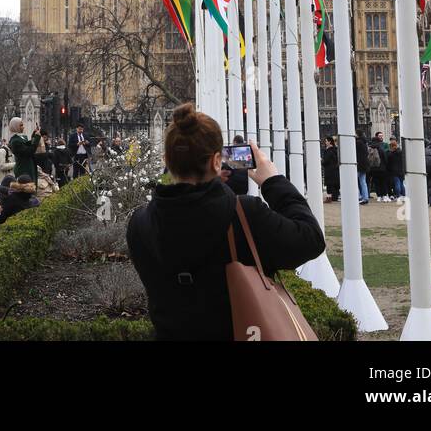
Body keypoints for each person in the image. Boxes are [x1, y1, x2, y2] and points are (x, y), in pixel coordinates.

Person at [126, 103, 325, 342]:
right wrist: (272, 180)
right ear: (217, 161)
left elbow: (182, 209)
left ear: (166, 159)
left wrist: (205, 179)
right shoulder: (243, 214)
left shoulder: (139, 223)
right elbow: (310, 239)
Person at [8, 117, 40, 186]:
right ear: (15, 127)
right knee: (26, 190)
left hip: (28, 166)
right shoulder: (15, 141)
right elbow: (29, 151)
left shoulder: (20, 137)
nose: (23, 127)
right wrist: (37, 138)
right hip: (24, 169)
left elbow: (27, 144)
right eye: (21, 125)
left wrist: (34, 135)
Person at [369, 132, 389, 201]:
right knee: (383, 182)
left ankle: (379, 196)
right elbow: (385, 158)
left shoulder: (370, 148)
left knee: (377, 183)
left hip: (373, 168)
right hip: (382, 168)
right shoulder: (381, 148)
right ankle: (384, 195)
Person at [322, 137, 340, 202]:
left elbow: (326, 160)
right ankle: (335, 197)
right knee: (335, 185)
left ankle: (331, 198)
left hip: (329, 169)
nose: (325, 142)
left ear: (329, 142)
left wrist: (322, 161)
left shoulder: (329, 150)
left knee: (330, 184)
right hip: (335, 169)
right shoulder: (336, 149)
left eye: (326, 141)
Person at [355, 129, 370, 204]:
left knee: (354, 181)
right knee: (363, 181)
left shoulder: (357, 142)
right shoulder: (364, 142)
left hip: (359, 164)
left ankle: (358, 196)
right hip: (364, 164)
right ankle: (365, 197)